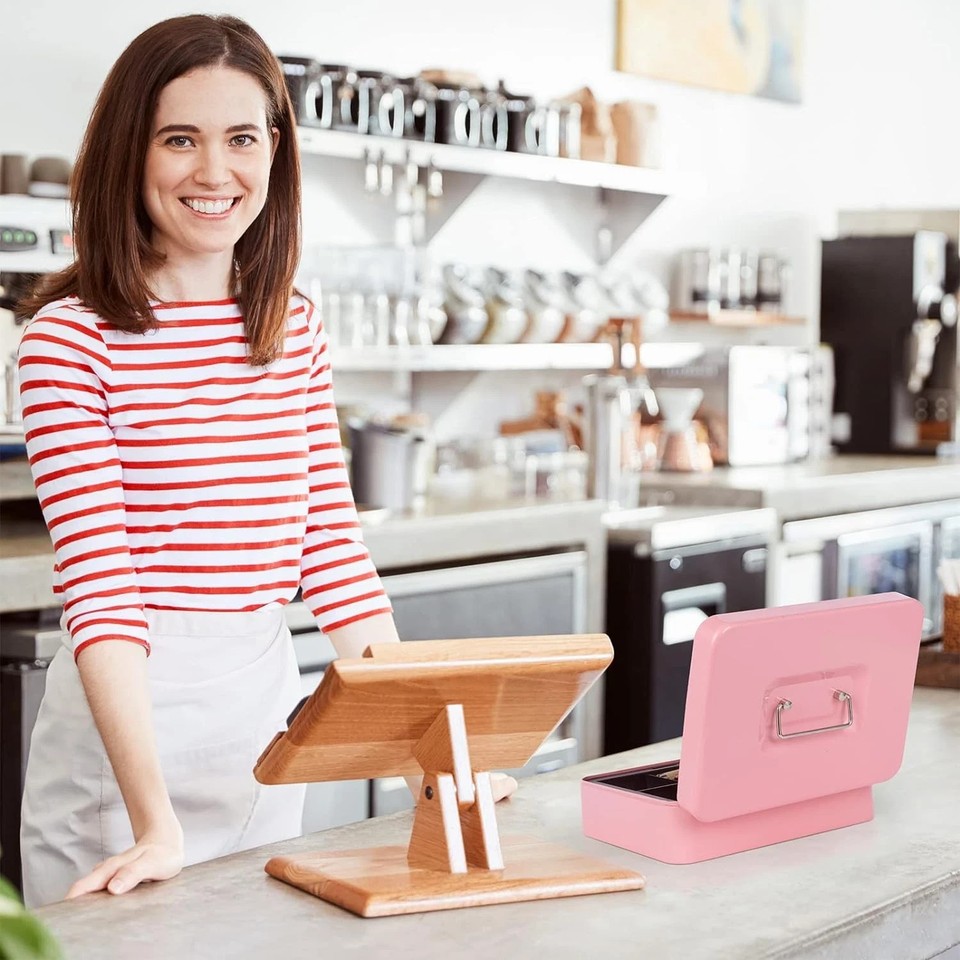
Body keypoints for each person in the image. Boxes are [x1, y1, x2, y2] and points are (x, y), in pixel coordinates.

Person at [17, 14, 516, 909]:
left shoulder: (293, 326)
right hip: (122, 769)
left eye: (241, 139)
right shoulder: (70, 340)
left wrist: (428, 758)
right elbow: (103, 590)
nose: (215, 172)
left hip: (260, 739)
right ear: (131, 150)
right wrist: (154, 823)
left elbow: (333, 556)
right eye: (180, 139)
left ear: (275, 152)